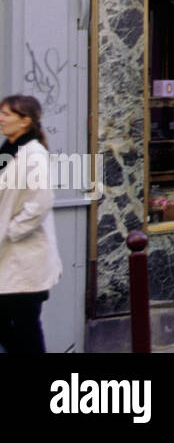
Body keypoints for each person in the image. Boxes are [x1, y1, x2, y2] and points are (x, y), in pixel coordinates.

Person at [0, 94, 62, 353]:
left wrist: (11, 231)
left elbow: (40, 203)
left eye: (6, 114)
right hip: (10, 259)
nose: (1, 119)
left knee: (26, 327)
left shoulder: (34, 155)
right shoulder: (9, 150)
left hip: (25, 260)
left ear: (25, 121)